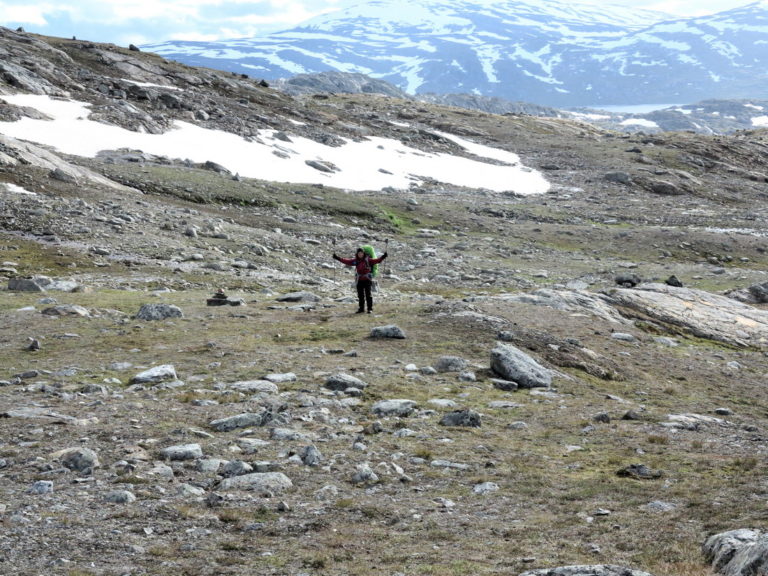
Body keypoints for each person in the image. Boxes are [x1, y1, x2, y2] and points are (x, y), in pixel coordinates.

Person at [333, 247, 388, 313]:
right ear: (357, 254)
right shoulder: (355, 261)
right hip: (359, 280)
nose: (360, 254)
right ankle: (361, 309)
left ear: (363, 253)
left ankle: (369, 309)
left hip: (367, 280)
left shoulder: (368, 260)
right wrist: (337, 258)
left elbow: (377, 261)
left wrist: (383, 257)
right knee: (360, 295)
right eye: (359, 253)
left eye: (361, 253)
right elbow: (346, 261)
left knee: (368, 295)